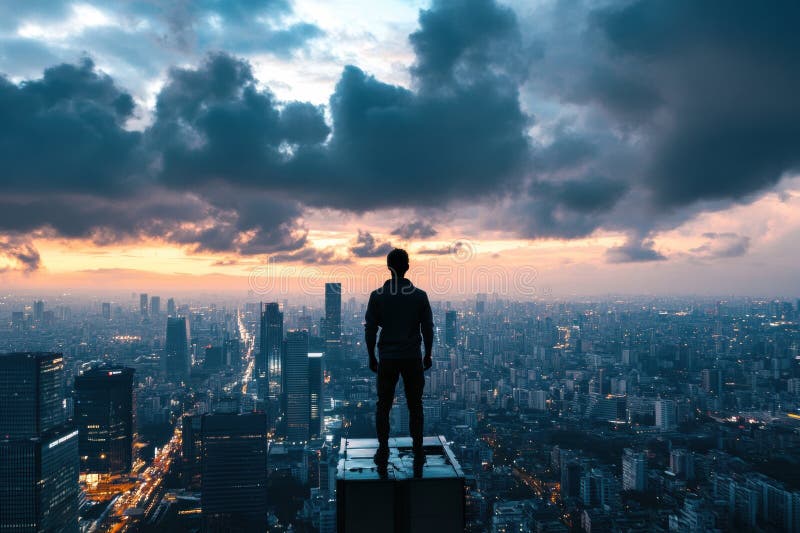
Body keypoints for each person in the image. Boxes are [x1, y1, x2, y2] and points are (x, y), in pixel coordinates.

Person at [365, 248, 434, 467]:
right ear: (407, 267)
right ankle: (418, 450)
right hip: (412, 356)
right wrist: (428, 354)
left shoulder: (377, 296)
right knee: (416, 405)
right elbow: (428, 328)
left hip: (387, 357)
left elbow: (370, 330)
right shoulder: (419, 296)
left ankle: (383, 449)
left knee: (383, 405)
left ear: (388, 267)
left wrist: (371, 356)